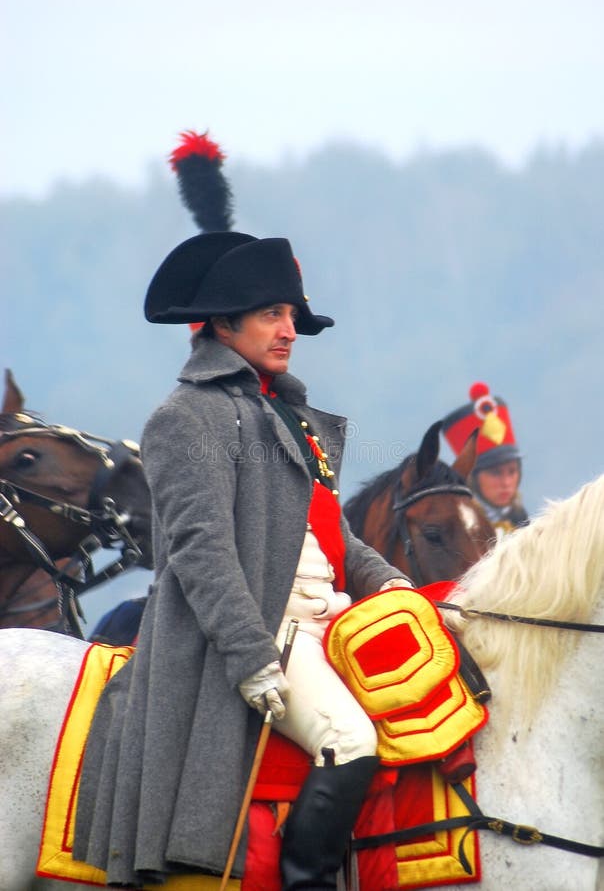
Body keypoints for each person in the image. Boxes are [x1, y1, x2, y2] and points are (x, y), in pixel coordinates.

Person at [72, 230, 411, 889]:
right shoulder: (185, 417)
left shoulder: (287, 416)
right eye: (272, 315)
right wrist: (251, 655)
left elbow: (332, 536)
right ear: (224, 326)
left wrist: (396, 586)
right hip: (258, 634)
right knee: (353, 742)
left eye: (291, 316)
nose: (289, 330)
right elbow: (201, 550)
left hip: (327, 621)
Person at [442, 381, 529, 534]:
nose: (506, 483)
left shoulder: (521, 520)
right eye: (495, 473)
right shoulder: (458, 529)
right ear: (472, 477)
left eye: (512, 471)